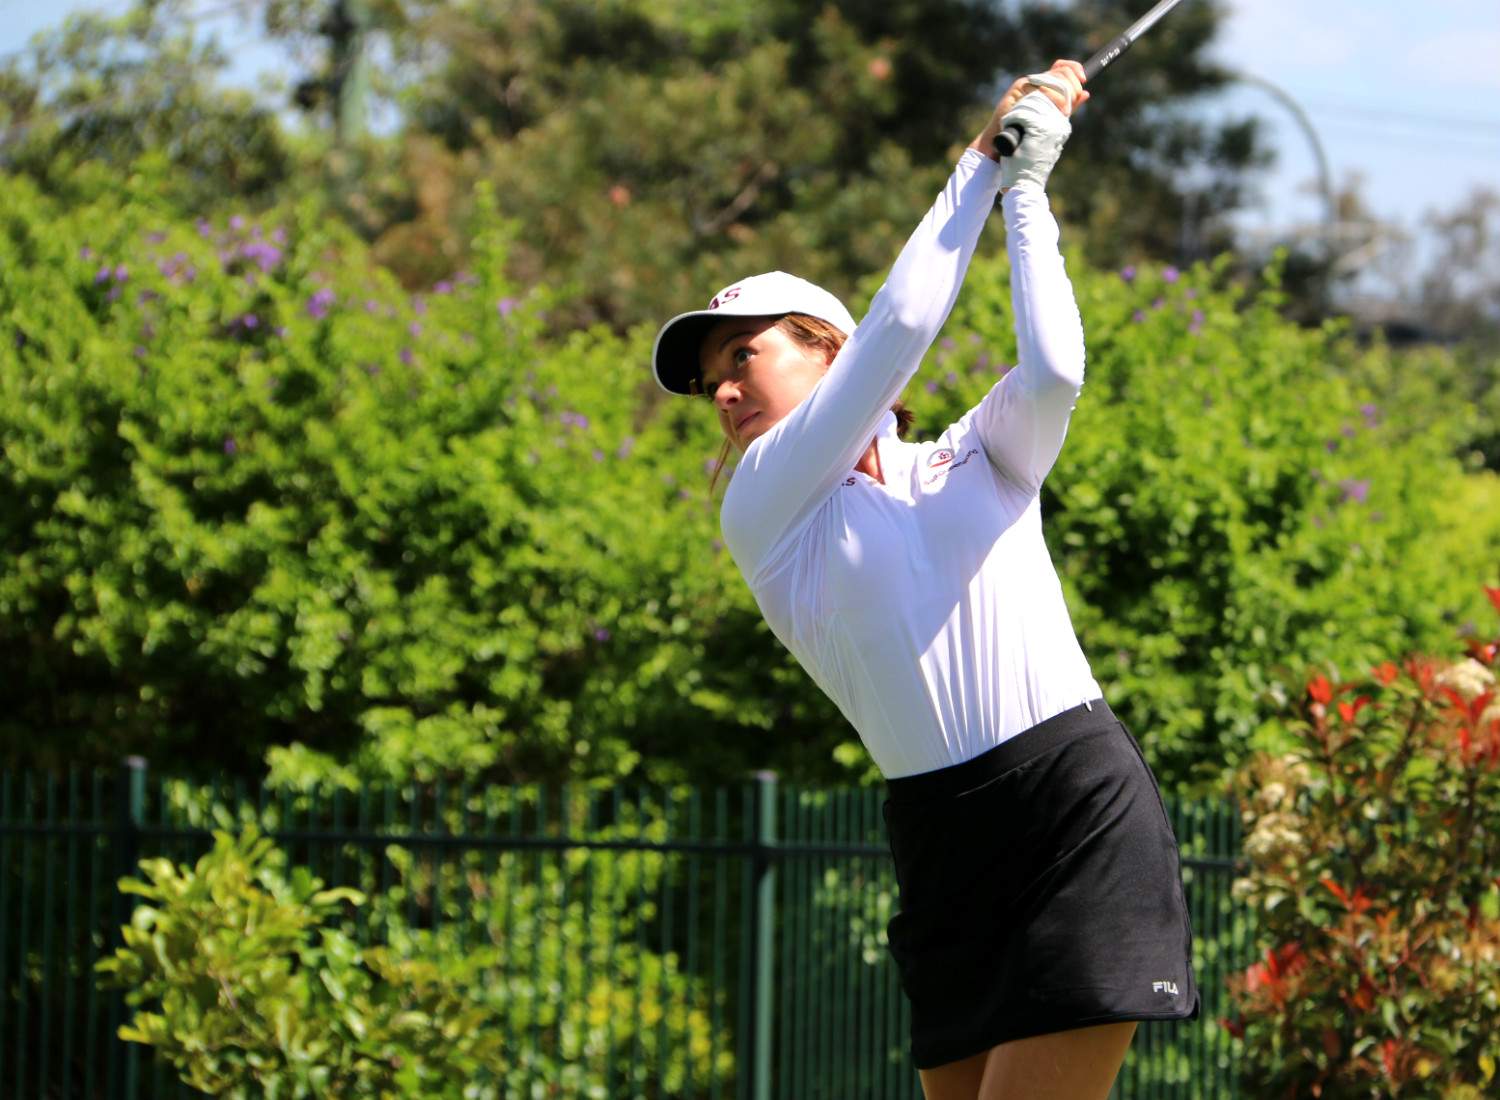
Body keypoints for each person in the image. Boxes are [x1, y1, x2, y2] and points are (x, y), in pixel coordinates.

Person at [650, 60, 1199, 1100]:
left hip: (1072, 804)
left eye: (743, 354)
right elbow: (902, 331)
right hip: (942, 841)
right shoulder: (762, 501)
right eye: (709, 378)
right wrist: (984, 159)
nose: (722, 389)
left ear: (826, 351)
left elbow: (1053, 375)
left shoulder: (972, 458)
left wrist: (1025, 187)